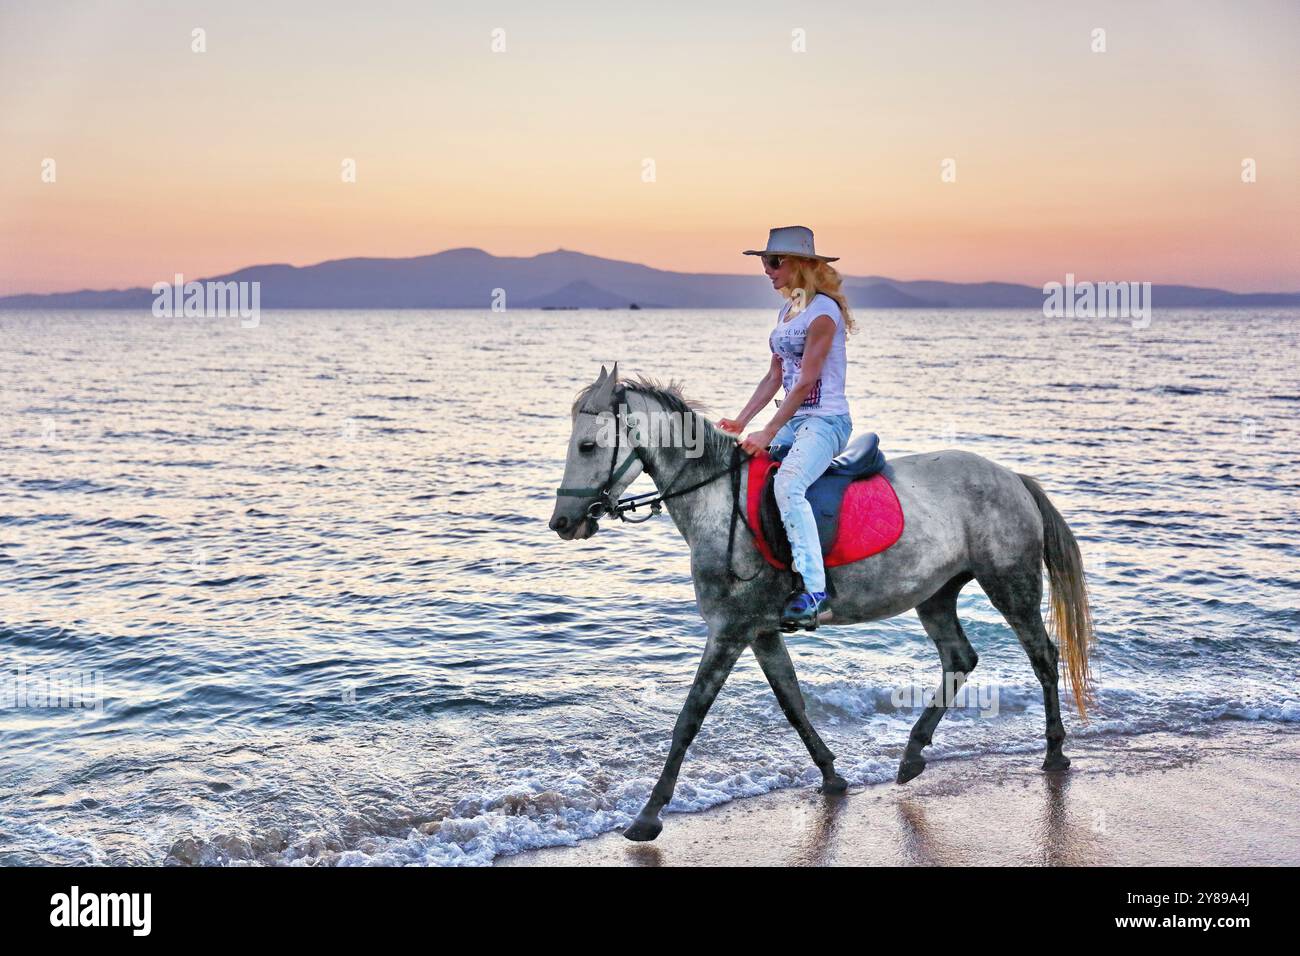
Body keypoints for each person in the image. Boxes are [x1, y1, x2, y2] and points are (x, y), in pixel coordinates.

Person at [718, 226, 856, 630]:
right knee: (745, 469)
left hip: (826, 421)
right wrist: (742, 421)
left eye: (774, 261)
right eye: (764, 261)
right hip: (793, 420)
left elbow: (807, 381)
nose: (767, 270)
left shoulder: (824, 312)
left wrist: (767, 431)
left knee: (788, 485)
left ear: (802, 264)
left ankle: (815, 593)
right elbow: (775, 377)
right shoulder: (788, 311)